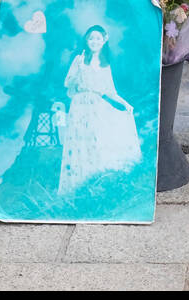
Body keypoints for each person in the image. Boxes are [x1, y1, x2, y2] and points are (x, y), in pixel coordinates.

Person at [59, 25, 142, 196]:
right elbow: (68, 83)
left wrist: (126, 104)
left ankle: (94, 185)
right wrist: (80, 69)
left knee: (96, 142)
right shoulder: (79, 59)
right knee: (80, 144)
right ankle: (76, 186)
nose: (94, 41)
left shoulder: (105, 65)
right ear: (86, 41)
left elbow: (110, 91)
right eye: (91, 38)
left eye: (97, 38)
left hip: (96, 105)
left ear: (104, 40)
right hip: (80, 105)